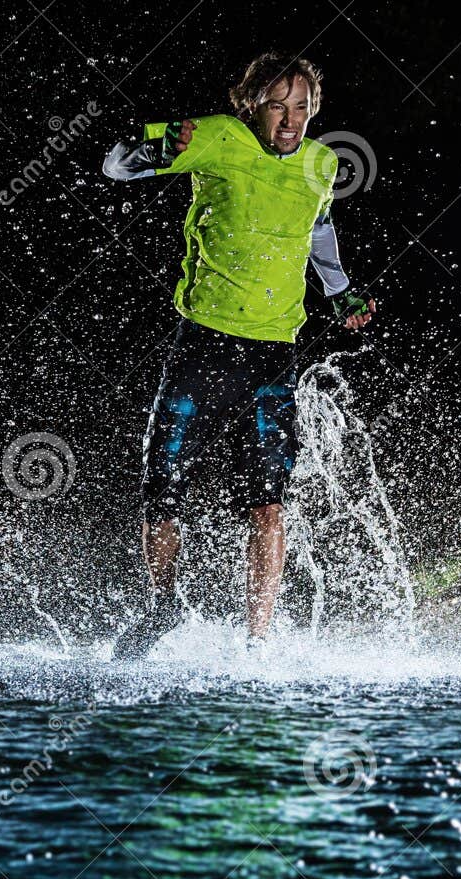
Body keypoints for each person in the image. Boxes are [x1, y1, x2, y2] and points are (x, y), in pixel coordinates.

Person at [101, 51, 376, 659]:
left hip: (272, 357)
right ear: (252, 105)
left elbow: (319, 231)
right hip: (202, 344)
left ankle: (257, 642)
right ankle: (162, 606)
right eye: (278, 106)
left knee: (269, 502)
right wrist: (158, 146)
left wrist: (341, 293)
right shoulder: (219, 137)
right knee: (161, 487)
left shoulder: (323, 163)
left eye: (302, 107)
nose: (291, 120)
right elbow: (115, 165)